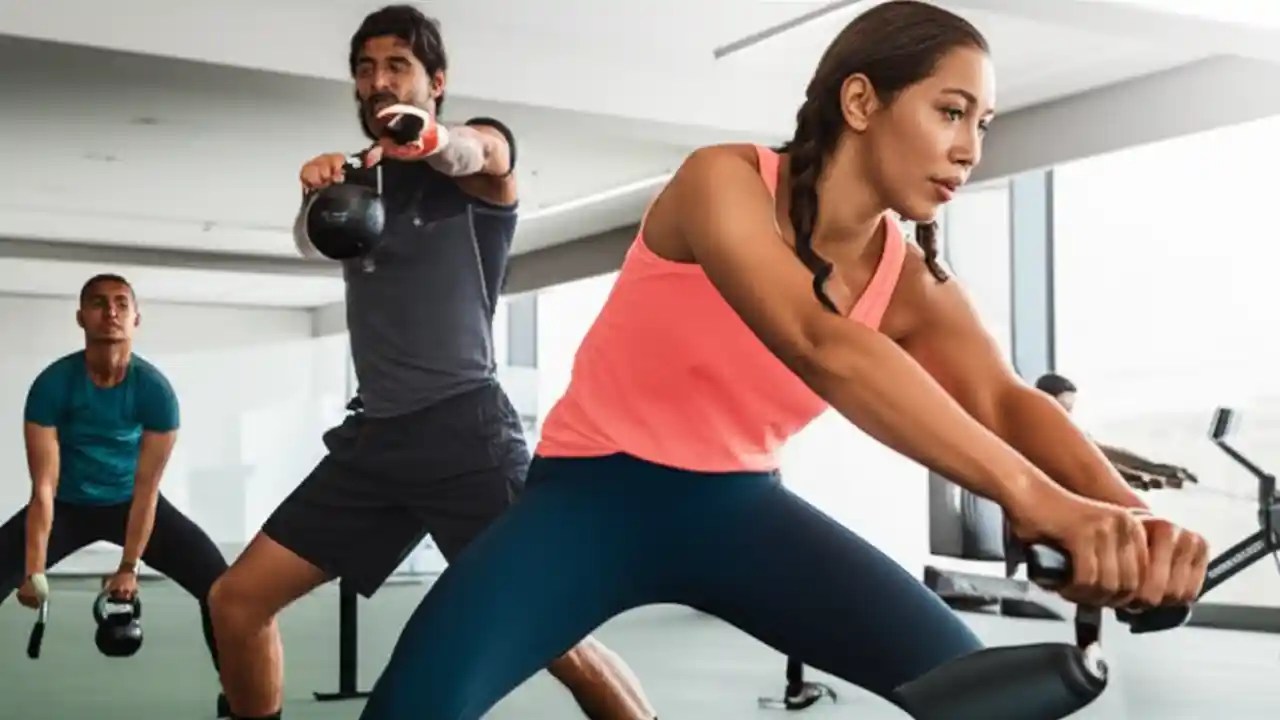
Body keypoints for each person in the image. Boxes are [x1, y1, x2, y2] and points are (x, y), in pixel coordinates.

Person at [355, 2, 1211, 718]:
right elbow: (818, 341)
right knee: (410, 708)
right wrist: (1040, 502)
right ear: (862, 101)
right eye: (951, 112)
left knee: (980, 696)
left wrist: (1133, 522)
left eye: (981, 125)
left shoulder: (914, 284)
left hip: (740, 514)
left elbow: (1005, 399)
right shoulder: (721, 181)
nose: (970, 149)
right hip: (584, 503)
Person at [205, 6, 655, 720]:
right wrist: (314, 195)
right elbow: (310, 244)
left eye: (398, 66)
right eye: (366, 69)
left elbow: (484, 153)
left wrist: (434, 137)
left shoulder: (467, 179)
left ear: (435, 82)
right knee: (236, 601)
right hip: (375, 443)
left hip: (463, 437)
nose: (378, 81)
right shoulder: (360, 180)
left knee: (556, 637)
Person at [0, 273, 228, 712]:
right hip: (66, 505)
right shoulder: (53, 385)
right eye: (99, 303)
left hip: (131, 501)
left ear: (136, 317)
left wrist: (129, 567)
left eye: (122, 303)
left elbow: (147, 489)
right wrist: (33, 569)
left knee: (222, 590)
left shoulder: (155, 391)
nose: (111, 312)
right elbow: (43, 488)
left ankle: (240, 696)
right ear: (80, 317)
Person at [1035, 372, 1200, 490]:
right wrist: (1147, 478)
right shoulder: (1042, 436)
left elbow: (1102, 452)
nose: (1067, 415)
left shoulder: (1064, 431)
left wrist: (1155, 468)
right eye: (1063, 409)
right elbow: (1092, 466)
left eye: (1069, 410)